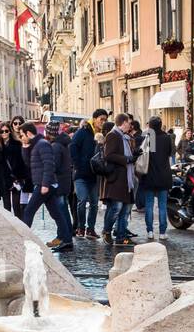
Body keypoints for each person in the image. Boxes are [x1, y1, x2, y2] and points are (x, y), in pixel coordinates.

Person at [20, 122, 74, 252]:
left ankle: (22, 239)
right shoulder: (36, 145)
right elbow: (29, 163)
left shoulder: (42, 144)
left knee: (29, 211)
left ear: (28, 133)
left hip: (45, 184)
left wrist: (44, 184)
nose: (21, 137)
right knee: (56, 213)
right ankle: (67, 240)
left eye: (22, 135)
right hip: (45, 183)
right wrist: (25, 147)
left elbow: (49, 165)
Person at [70, 108, 107, 239]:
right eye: (101, 119)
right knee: (82, 200)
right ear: (95, 118)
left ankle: (90, 229)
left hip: (94, 175)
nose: (103, 122)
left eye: (105, 120)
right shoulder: (83, 131)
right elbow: (72, 146)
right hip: (81, 174)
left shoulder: (102, 134)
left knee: (94, 203)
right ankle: (81, 227)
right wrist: (78, 165)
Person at [101, 113, 135, 245]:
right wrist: (126, 159)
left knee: (125, 208)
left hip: (126, 179)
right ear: (123, 123)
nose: (130, 125)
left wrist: (135, 154)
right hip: (116, 178)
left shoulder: (125, 137)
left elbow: (126, 154)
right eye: (128, 123)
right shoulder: (113, 135)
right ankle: (107, 231)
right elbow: (108, 155)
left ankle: (121, 235)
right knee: (116, 208)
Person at [139, 116, 173, 242]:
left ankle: (150, 231)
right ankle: (163, 232)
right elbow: (169, 153)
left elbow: (147, 155)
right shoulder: (166, 137)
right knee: (162, 206)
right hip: (164, 175)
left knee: (149, 205)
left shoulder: (150, 138)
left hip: (150, 176)